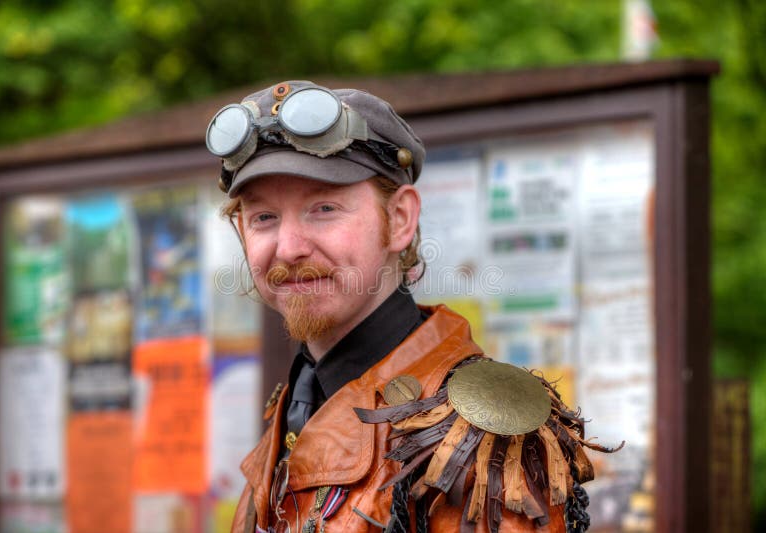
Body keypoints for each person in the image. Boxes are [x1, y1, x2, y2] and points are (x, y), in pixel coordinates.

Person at [205, 81, 615, 533]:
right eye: (264, 217)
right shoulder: (297, 406)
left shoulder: (475, 443)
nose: (289, 247)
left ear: (399, 220)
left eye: (323, 208)